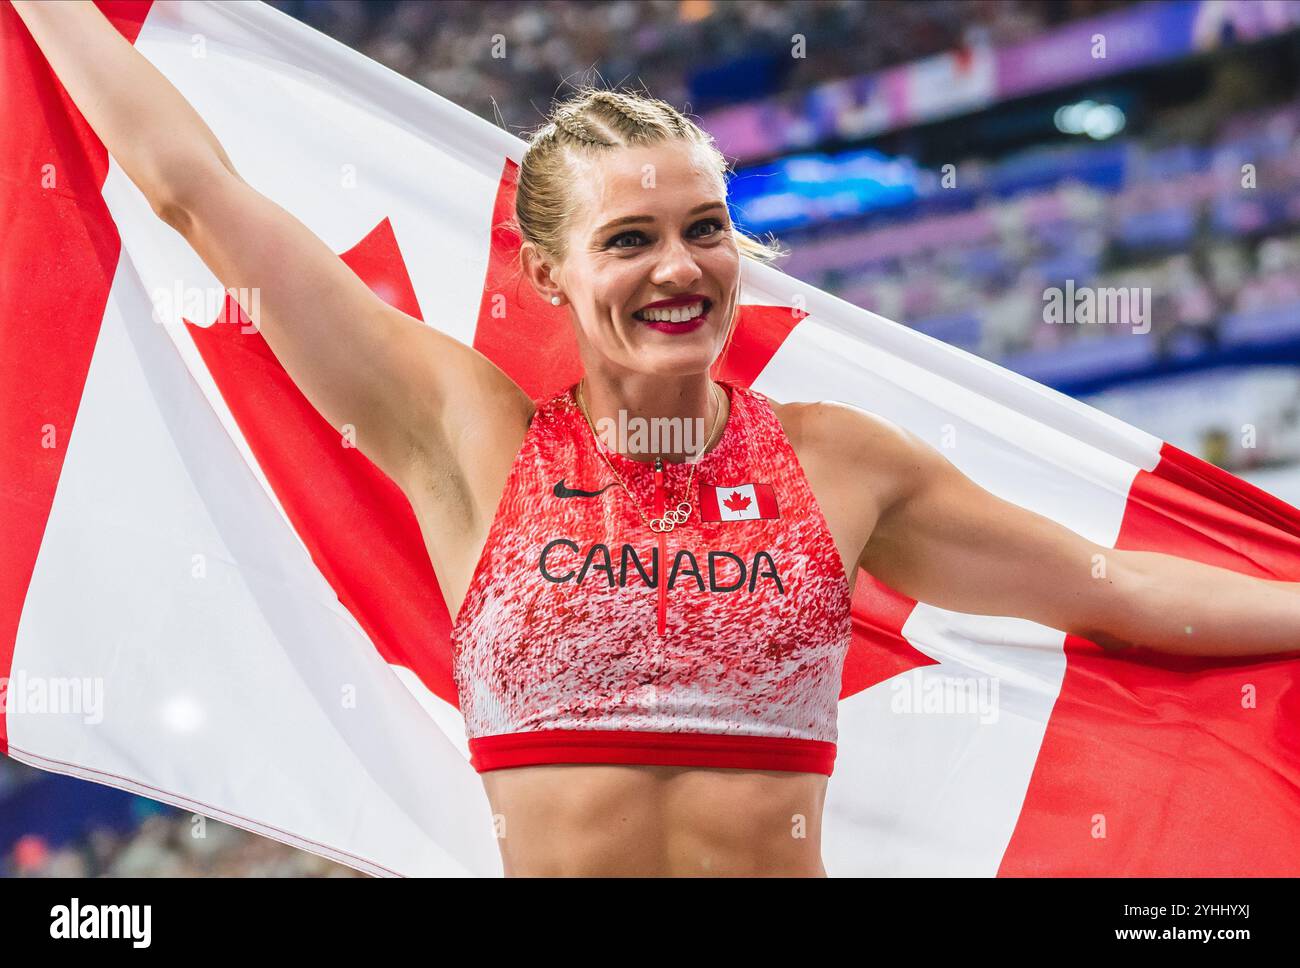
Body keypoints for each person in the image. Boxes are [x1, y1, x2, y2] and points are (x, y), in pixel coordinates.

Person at [14, 0, 1300, 878]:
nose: (677, 268)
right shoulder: (464, 436)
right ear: (546, 273)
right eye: (628, 240)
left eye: (703, 228)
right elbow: (196, 191)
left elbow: (1118, 591)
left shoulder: (837, 463)